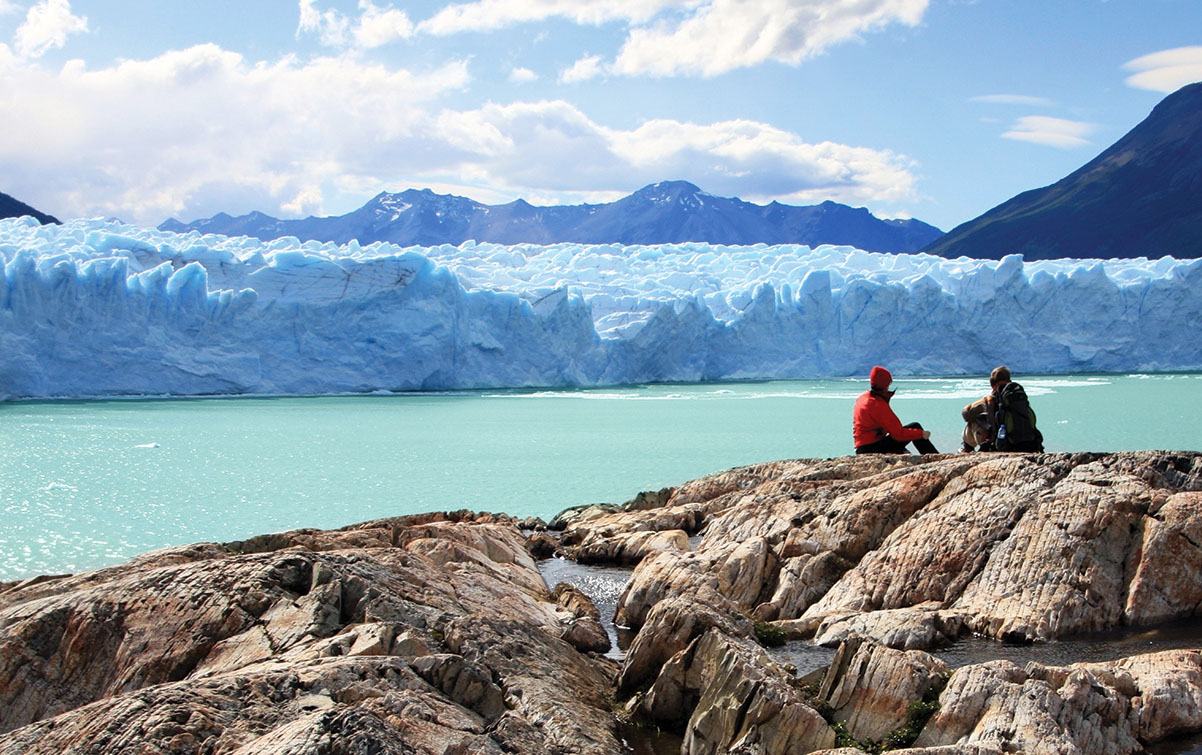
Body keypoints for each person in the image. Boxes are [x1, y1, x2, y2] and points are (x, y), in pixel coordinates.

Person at [853, 366, 939, 455]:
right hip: (872, 449)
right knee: (915, 427)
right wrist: (921, 434)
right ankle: (935, 458)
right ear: (885, 384)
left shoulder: (863, 398)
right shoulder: (877, 404)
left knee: (907, 438)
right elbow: (898, 434)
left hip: (862, 448)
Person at [985, 366, 1044, 452]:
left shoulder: (992, 399)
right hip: (1031, 443)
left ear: (992, 383)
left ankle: (966, 447)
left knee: (976, 422)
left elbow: (966, 413)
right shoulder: (1018, 393)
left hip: (1008, 445)